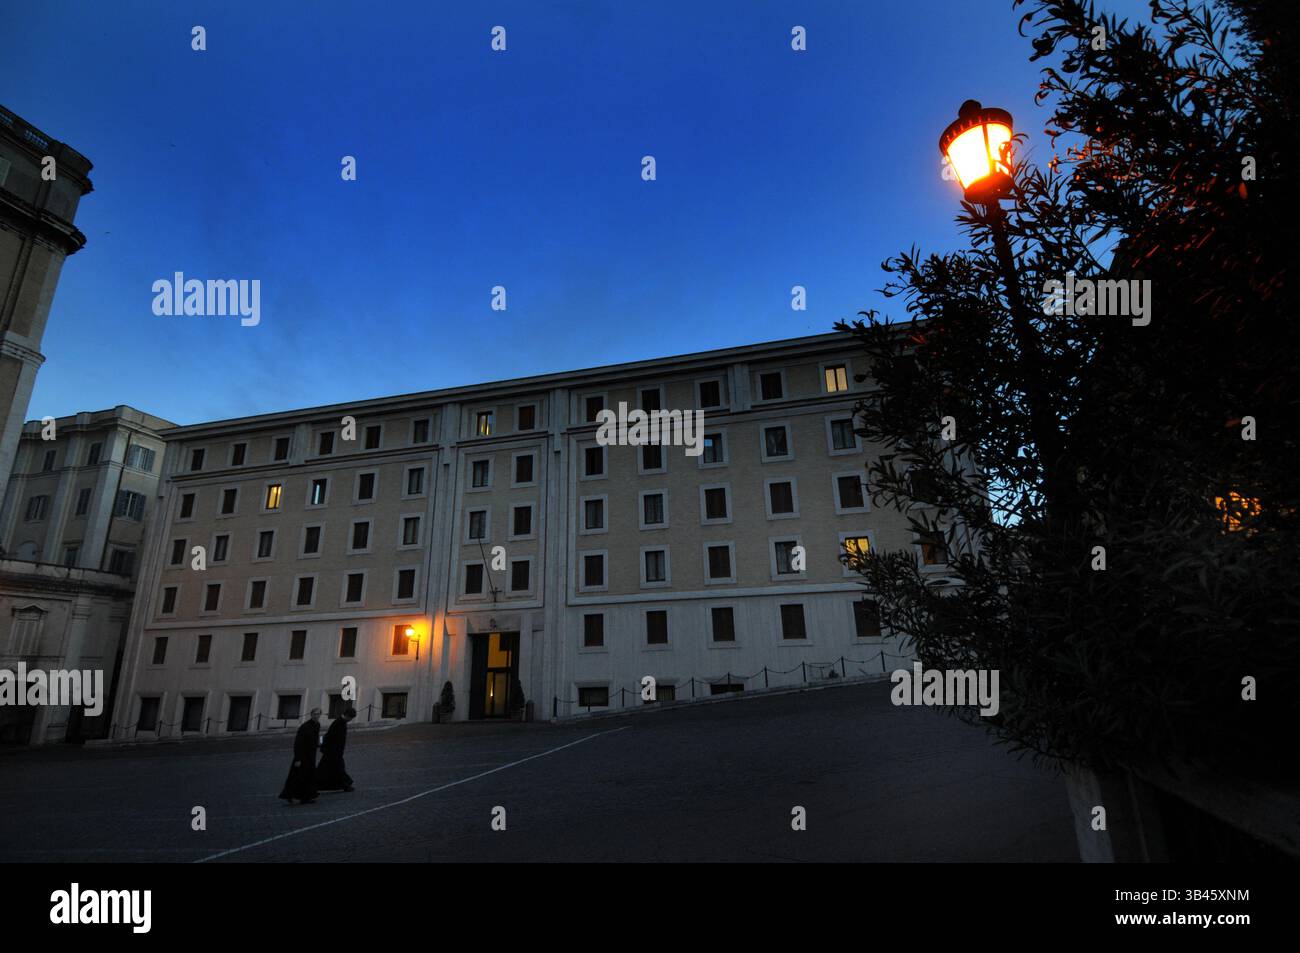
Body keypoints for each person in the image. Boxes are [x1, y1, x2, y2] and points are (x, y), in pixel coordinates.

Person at [279, 708, 321, 804]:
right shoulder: (304, 727)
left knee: (309, 776)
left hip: (311, 756)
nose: (316, 716)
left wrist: (318, 744)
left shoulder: (317, 725)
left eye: (318, 714)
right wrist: (298, 758)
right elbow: (298, 743)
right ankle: (290, 795)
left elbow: (315, 738)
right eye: (315, 714)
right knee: (297, 777)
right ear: (311, 714)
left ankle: (307, 796)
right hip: (302, 755)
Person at [316, 706, 356, 792]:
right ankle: (345, 785)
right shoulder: (338, 723)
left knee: (327, 770)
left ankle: (315, 785)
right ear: (348, 716)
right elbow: (329, 736)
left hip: (334, 751)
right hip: (333, 751)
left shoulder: (340, 722)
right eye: (351, 718)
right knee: (338, 769)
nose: (350, 720)